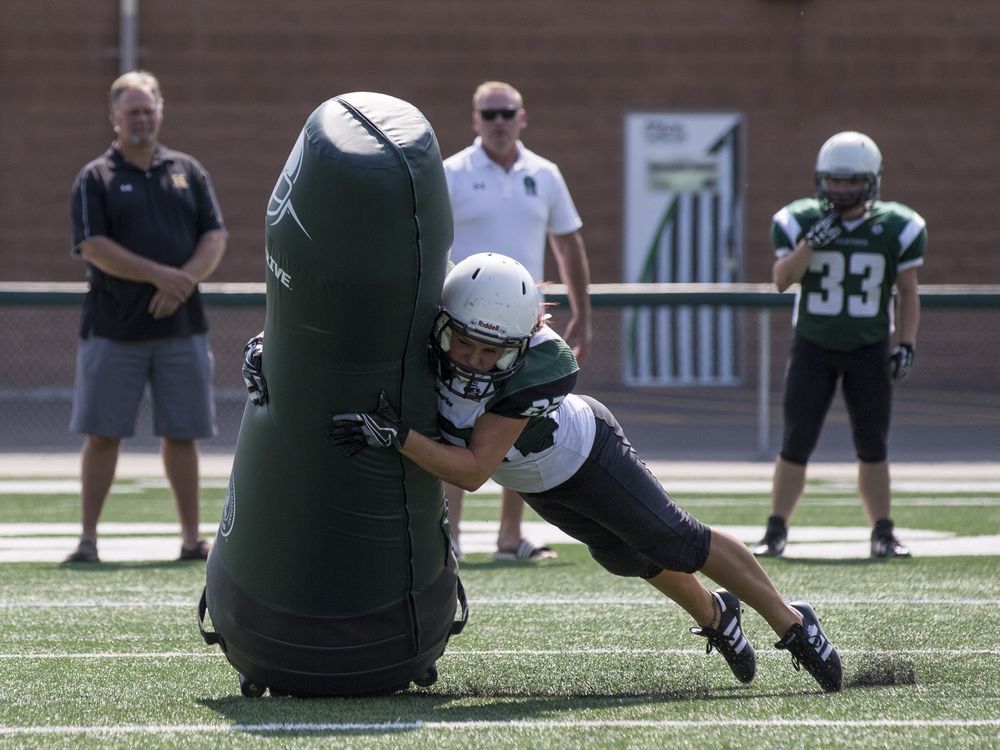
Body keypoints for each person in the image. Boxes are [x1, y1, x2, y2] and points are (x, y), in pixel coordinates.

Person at [325, 253, 843, 692]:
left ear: (521, 345)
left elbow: (473, 470)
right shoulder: (422, 325)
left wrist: (399, 437)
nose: (475, 361)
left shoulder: (539, 365)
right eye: (465, 344)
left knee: (674, 540)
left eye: (493, 352)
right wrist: (265, 349)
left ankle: (793, 623)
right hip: (533, 478)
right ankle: (716, 614)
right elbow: (340, 318)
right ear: (441, 320)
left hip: (585, 456)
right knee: (624, 556)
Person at [65, 70, 227, 563]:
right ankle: (89, 539)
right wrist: (163, 276)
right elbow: (92, 247)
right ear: (114, 117)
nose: (141, 118)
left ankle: (191, 539)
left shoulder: (188, 171)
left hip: (181, 329)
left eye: (148, 108)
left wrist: (181, 285)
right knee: (103, 434)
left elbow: (215, 237)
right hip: (114, 329)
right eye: (132, 111)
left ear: (161, 110)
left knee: (183, 435)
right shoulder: (96, 177)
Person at [752, 131, 926, 559]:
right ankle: (775, 530)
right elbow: (781, 279)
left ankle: (883, 532)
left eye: (852, 182)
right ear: (820, 179)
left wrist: (906, 343)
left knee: (873, 444)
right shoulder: (799, 220)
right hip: (813, 345)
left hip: (868, 346)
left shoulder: (897, 226)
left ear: (872, 181)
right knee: (796, 441)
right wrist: (813, 242)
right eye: (835, 180)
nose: (842, 189)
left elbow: (908, 292)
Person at [442, 80, 593, 561]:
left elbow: (567, 242)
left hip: (523, 323)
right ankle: (450, 535)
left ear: (523, 117)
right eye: (490, 114)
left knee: (520, 416)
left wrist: (583, 315)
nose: (499, 121)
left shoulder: (544, 174)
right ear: (475, 121)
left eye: (507, 112)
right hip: (463, 323)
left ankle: (510, 535)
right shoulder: (450, 173)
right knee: (452, 418)